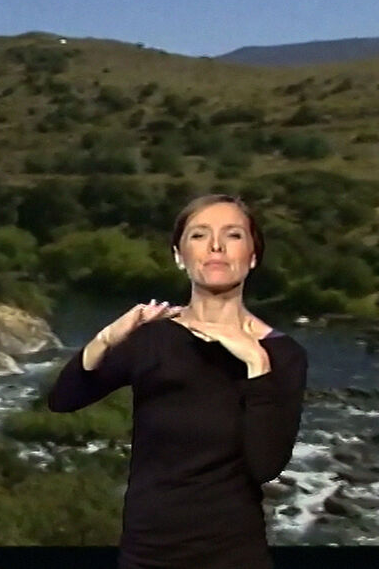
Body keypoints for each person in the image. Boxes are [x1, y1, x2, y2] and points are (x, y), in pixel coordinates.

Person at [46, 194, 308, 569]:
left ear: (252, 256)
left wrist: (257, 364)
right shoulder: (152, 337)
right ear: (179, 256)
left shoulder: (281, 354)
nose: (215, 245)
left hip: (234, 557)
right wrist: (106, 338)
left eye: (233, 235)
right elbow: (64, 399)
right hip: (147, 554)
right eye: (199, 235)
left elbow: (265, 465)